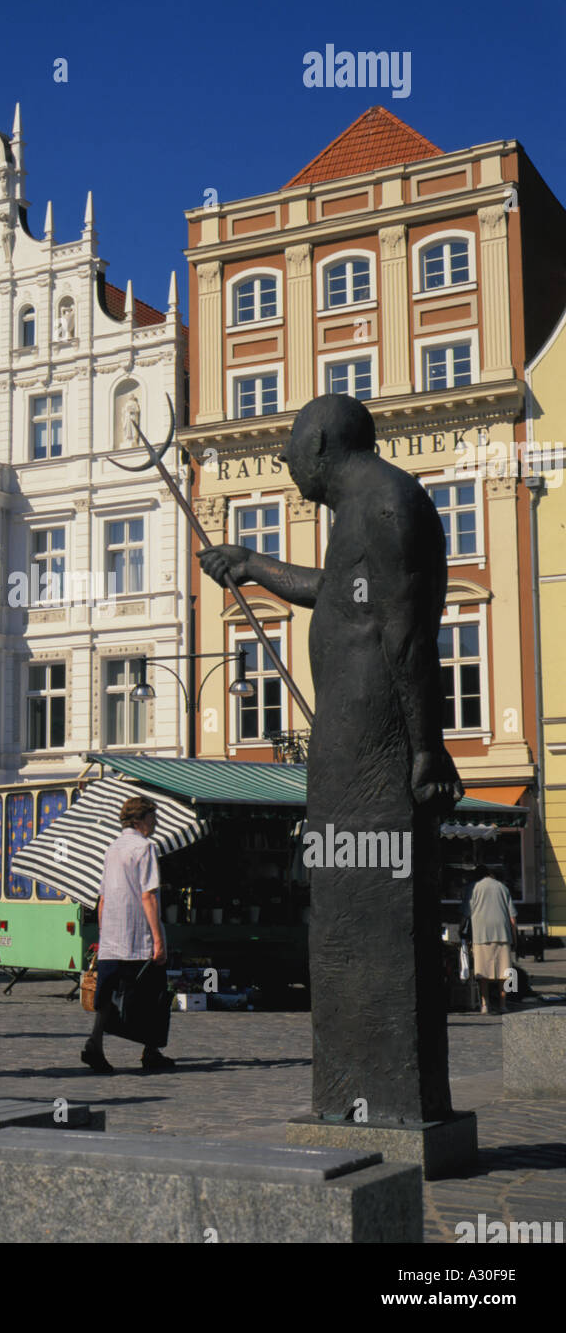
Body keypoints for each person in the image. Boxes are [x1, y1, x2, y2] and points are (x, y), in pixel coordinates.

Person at [199, 393, 463, 1125]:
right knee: (345, 904)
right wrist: (252, 563)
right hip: (350, 745)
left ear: (317, 443)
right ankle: (357, 1092)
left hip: (373, 746)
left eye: (288, 447)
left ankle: (384, 1092)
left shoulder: (384, 506)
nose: (285, 463)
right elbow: (339, 596)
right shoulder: (365, 508)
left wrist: (426, 748)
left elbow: (407, 636)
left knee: (368, 911)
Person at [82, 794, 175, 1075]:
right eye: (153, 818)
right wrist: (158, 939)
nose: (156, 823)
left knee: (106, 996)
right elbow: (148, 895)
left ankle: (95, 1043)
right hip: (137, 937)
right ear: (142, 819)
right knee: (155, 994)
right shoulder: (144, 848)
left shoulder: (112, 848)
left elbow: (102, 898)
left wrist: (102, 934)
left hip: (112, 936)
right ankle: (151, 1050)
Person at [468, 868, 517, 1015]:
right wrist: (515, 938)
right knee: (505, 972)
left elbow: (465, 912)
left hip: (480, 933)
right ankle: (503, 1004)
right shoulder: (503, 888)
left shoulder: (473, 888)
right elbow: (512, 917)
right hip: (502, 932)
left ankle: (485, 1004)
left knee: (483, 972)